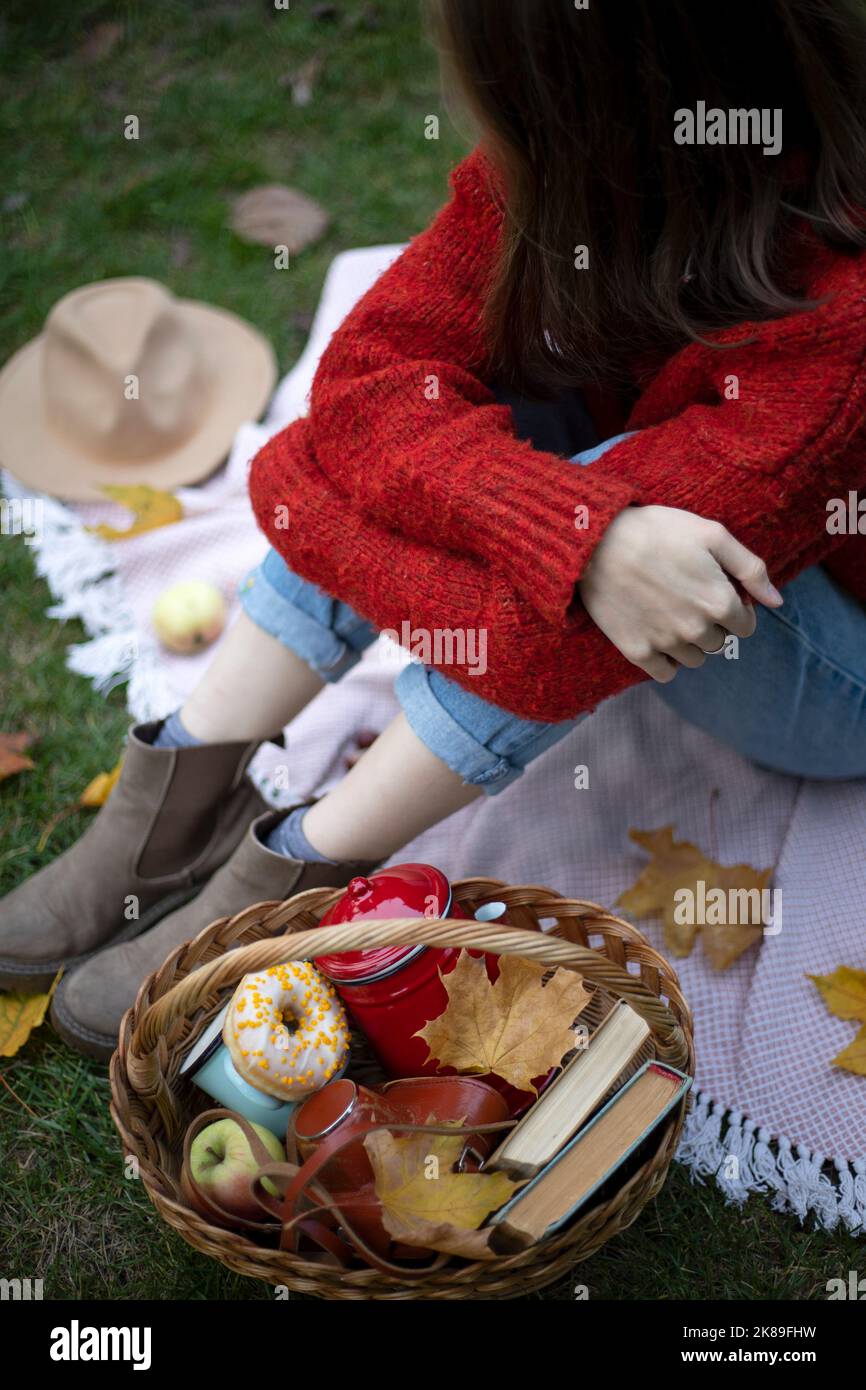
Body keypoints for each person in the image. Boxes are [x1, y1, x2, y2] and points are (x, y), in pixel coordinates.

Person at [3, 0, 866, 1059]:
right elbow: (365, 387)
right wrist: (570, 535)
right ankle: (175, 801)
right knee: (452, 452)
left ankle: (300, 868)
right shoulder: (576, 167)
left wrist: (577, 540)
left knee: (606, 539)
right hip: (649, 517)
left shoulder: (846, 308)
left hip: (834, 665)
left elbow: (596, 596)